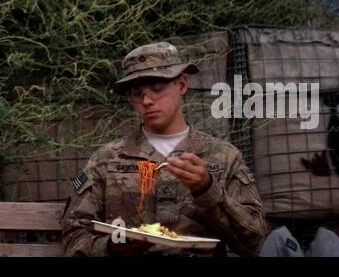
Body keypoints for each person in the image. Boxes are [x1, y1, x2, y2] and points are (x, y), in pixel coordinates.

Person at [61, 41, 267, 256]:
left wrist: (207, 189)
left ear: (182, 85)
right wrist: (112, 247)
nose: (147, 100)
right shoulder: (108, 160)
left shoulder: (222, 157)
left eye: (157, 89)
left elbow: (252, 241)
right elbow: (74, 239)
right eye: (136, 93)